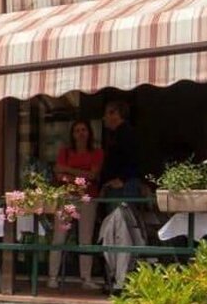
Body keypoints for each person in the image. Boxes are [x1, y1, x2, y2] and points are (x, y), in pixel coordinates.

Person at [48, 119, 103, 290]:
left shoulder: (97, 152)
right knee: (59, 238)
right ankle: (52, 277)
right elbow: (58, 175)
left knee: (86, 239)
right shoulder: (65, 152)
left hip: (88, 198)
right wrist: (81, 176)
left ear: (89, 133)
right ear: (72, 134)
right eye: (77, 130)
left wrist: (68, 171)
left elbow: (94, 176)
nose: (80, 133)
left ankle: (86, 278)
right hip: (67, 198)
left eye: (84, 129)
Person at [99, 100, 142, 200]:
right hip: (118, 186)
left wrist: (122, 179)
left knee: (120, 215)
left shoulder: (126, 134)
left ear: (115, 114)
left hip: (123, 188)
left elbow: (133, 158)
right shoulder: (116, 135)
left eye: (106, 114)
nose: (104, 118)